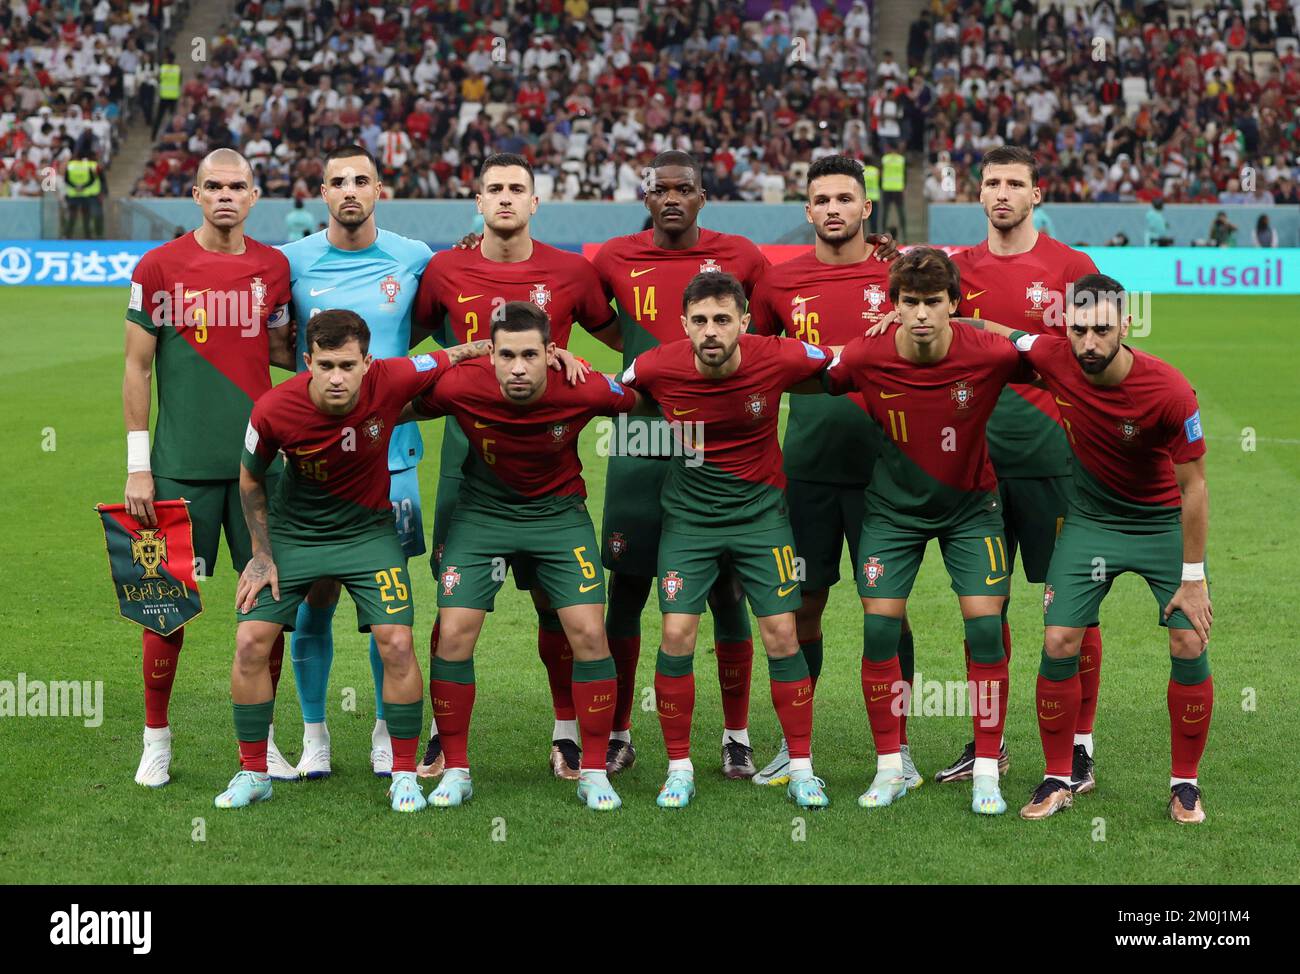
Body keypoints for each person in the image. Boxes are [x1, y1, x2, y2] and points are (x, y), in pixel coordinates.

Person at [964, 276, 1213, 824]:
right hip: (1091, 522)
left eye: (1102, 329)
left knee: (1189, 643)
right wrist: (927, 323)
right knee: (1058, 638)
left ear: (1126, 326)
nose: (1089, 342)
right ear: (1065, 329)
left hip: (1159, 524)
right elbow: (1000, 333)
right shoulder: (1056, 358)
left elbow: (1194, 487)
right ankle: (1058, 777)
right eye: (1079, 330)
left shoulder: (1170, 391)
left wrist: (1192, 577)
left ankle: (1185, 785)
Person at [218, 311, 489, 811]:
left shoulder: (394, 377)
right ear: (308, 363)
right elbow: (250, 478)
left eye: (348, 364)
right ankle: (253, 772)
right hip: (296, 534)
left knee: (398, 642)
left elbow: (449, 357)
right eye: (326, 365)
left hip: (368, 532)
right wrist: (261, 554)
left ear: (368, 362)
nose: (337, 377)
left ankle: (404, 774)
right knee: (251, 639)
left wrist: (488, 347)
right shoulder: (273, 408)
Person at [413, 152, 622, 781]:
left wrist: (581, 371)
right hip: (466, 458)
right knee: (454, 608)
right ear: (477, 202)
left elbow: (622, 341)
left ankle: (566, 734)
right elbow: (411, 341)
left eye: (517, 190)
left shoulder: (572, 271)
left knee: (557, 608)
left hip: (549, 455)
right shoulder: (444, 268)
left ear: (536, 203)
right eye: (494, 189)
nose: (505, 198)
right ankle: (439, 735)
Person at [405, 302, 639, 810]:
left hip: (557, 515)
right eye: (506, 354)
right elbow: (392, 401)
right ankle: (458, 769)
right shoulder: (460, 386)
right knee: (453, 634)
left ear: (551, 353)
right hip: (482, 515)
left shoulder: (585, 387)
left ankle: (595, 772)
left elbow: (641, 398)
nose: (517, 367)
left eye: (530, 354)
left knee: (589, 633)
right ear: (490, 353)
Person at [617, 271, 835, 810]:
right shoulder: (655, 365)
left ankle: (803, 767)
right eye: (700, 321)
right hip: (688, 522)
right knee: (677, 634)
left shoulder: (779, 355)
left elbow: (839, 362)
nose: (711, 331)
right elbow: (616, 393)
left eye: (722, 320)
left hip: (762, 518)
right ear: (683, 325)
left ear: (744, 321)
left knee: (783, 633)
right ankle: (679, 767)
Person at [591, 150, 768, 779]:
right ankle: (616, 732)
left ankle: (736, 737)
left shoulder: (743, 256)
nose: (671, 198)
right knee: (627, 591)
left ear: (702, 196)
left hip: (715, 449)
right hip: (640, 447)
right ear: (645, 198)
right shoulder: (614, 257)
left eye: (683, 189)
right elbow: (599, 325)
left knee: (726, 590)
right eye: (659, 189)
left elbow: (771, 320)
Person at [831, 248, 1026, 814]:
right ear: (893, 306)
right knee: (877, 632)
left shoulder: (989, 353)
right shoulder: (865, 354)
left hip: (971, 509)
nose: (921, 314)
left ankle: (987, 768)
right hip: (892, 511)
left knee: (986, 632)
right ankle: (891, 767)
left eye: (933, 303)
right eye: (910, 303)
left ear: (954, 306)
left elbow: (1055, 356)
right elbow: (807, 372)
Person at [123, 148, 294, 788]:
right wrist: (139, 466)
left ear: (255, 196)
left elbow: (284, 352)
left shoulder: (273, 268)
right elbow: (137, 366)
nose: (226, 195)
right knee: (164, 609)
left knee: (269, 606)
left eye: (238, 186)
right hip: (176, 470)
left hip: (259, 468)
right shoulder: (160, 266)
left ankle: (266, 741)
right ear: (196, 194)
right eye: (214, 186)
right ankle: (156, 740)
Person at [746, 154, 915, 787]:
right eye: (823, 200)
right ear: (808, 211)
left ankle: (896, 750)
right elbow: (752, 365)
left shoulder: (900, 274)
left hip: (888, 470)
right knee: (803, 606)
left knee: (887, 609)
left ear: (866, 208)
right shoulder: (776, 285)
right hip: (807, 472)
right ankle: (797, 746)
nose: (834, 209)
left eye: (846, 198)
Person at [942, 145, 1102, 790]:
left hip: (1052, 462)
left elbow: (1098, 355)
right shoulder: (955, 269)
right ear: (977, 195)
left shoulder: (1071, 267)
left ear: (1038, 194)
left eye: (1014, 183)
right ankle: (989, 747)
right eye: (991, 183)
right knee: (984, 610)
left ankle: (1081, 748)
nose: (1001, 193)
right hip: (973, 465)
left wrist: (1008, 338)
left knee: (1071, 609)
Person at [279, 145, 435, 779]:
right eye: (337, 181)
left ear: (380, 189)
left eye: (361, 180)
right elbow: (271, 343)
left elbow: (430, 337)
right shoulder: (290, 261)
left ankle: (380, 727)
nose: (350, 190)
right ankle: (314, 734)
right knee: (314, 601)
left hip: (391, 464)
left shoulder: (414, 257)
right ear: (322, 192)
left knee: (385, 607)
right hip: (311, 467)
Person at [63, 147, 104, 239]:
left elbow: (66, 179)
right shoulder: (90, 165)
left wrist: (75, 186)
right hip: (86, 195)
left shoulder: (70, 165)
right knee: (86, 217)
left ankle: (67, 236)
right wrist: (83, 186)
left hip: (73, 195)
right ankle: (88, 236)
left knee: (72, 216)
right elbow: (92, 179)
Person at [879, 143, 907, 239]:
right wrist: (904, 187)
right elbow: (905, 174)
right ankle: (904, 236)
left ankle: (882, 234)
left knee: (885, 213)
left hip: (887, 188)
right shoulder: (901, 159)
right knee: (901, 213)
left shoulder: (885, 159)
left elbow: (881, 174)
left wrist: (881, 186)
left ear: (890, 148)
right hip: (898, 188)